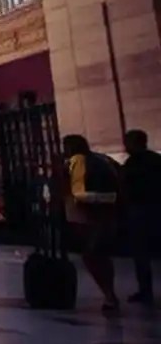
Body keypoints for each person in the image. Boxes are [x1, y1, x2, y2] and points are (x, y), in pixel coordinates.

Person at [64, 134, 122, 312]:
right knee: (100, 255)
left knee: (92, 255)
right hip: (108, 213)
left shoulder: (77, 161)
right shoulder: (103, 159)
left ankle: (109, 295)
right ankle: (109, 294)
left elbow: (79, 192)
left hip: (90, 216)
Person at [123, 130, 160, 305]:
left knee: (141, 253)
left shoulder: (132, 163)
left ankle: (146, 291)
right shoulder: (156, 160)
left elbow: (125, 186)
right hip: (154, 208)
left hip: (140, 209)